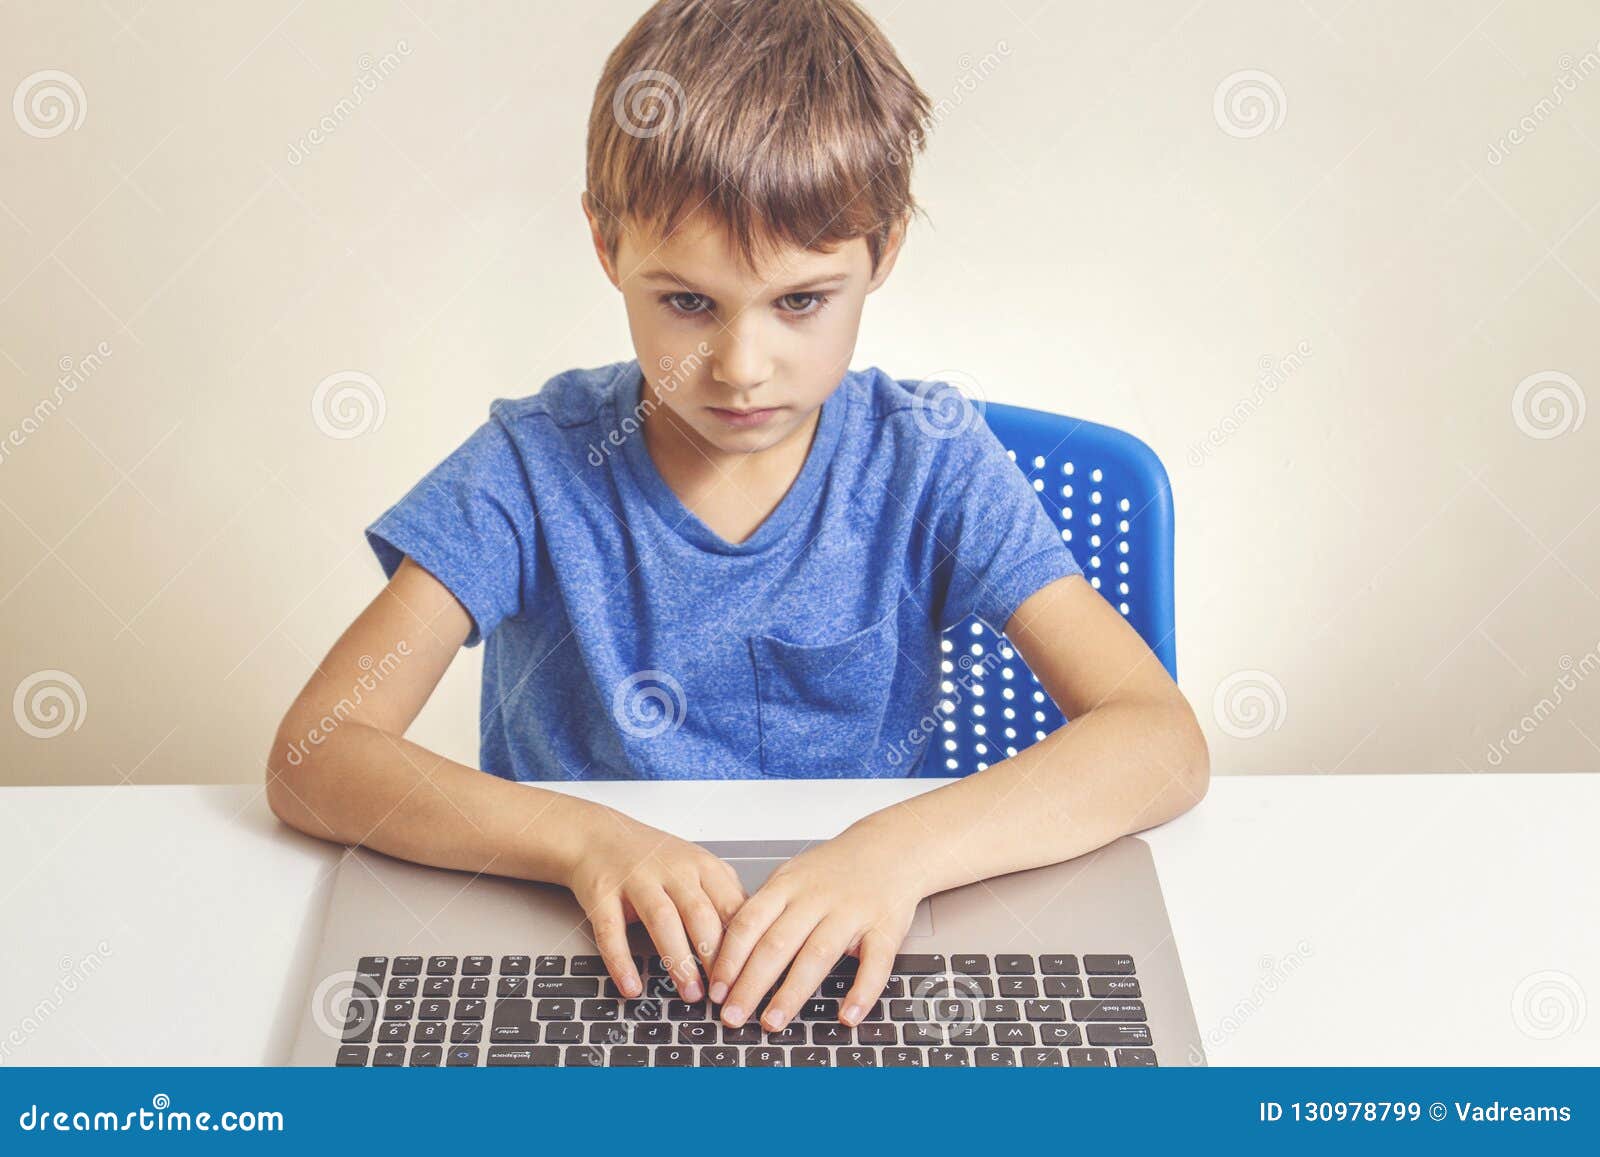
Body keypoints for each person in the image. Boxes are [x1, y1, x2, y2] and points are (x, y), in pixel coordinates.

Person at [267, 0, 1208, 1040]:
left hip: (854, 947)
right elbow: (316, 752)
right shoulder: (532, 468)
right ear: (606, 243)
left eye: (800, 302)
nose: (741, 367)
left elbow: (1157, 740)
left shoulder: (930, 459)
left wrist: (897, 851)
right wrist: (582, 840)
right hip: (584, 943)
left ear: (882, 249)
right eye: (687, 303)